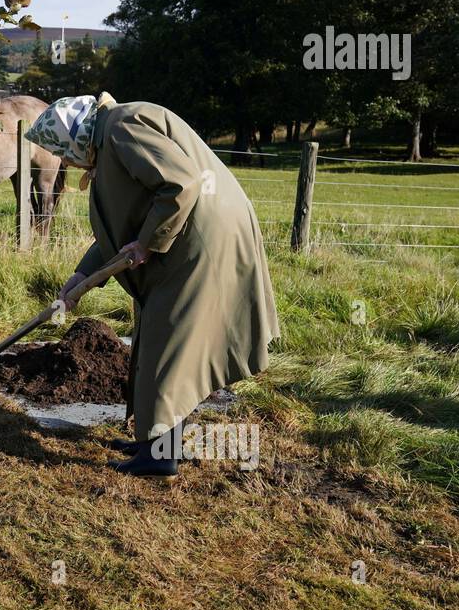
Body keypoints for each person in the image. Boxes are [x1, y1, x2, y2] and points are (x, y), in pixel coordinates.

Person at [26, 94, 280, 477]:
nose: (65, 161)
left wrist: (147, 243)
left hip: (201, 243)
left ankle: (159, 456)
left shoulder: (122, 127)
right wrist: (81, 276)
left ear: (75, 137)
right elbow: (120, 230)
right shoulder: (111, 138)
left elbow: (180, 184)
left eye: (63, 151)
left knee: (169, 343)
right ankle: (155, 439)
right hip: (184, 243)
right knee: (158, 335)